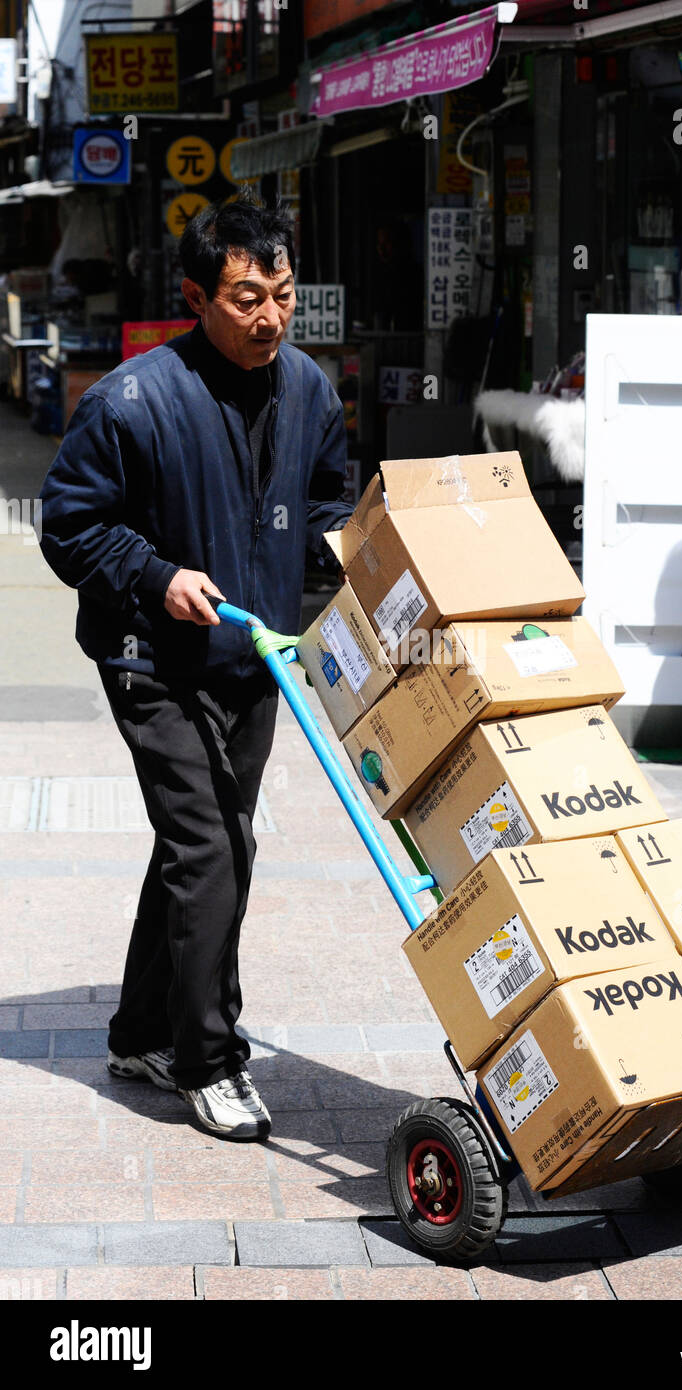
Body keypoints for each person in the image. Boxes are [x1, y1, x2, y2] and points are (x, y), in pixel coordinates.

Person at [38, 192, 352, 1139]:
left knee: (202, 846)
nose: (270, 318)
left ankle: (139, 1028)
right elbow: (70, 525)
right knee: (215, 850)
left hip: (251, 654)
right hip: (150, 654)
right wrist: (156, 573)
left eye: (284, 295)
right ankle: (206, 1059)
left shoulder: (310, 389)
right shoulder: (131, 400)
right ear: (195, 298)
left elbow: (329, 511)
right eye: (247, 298)